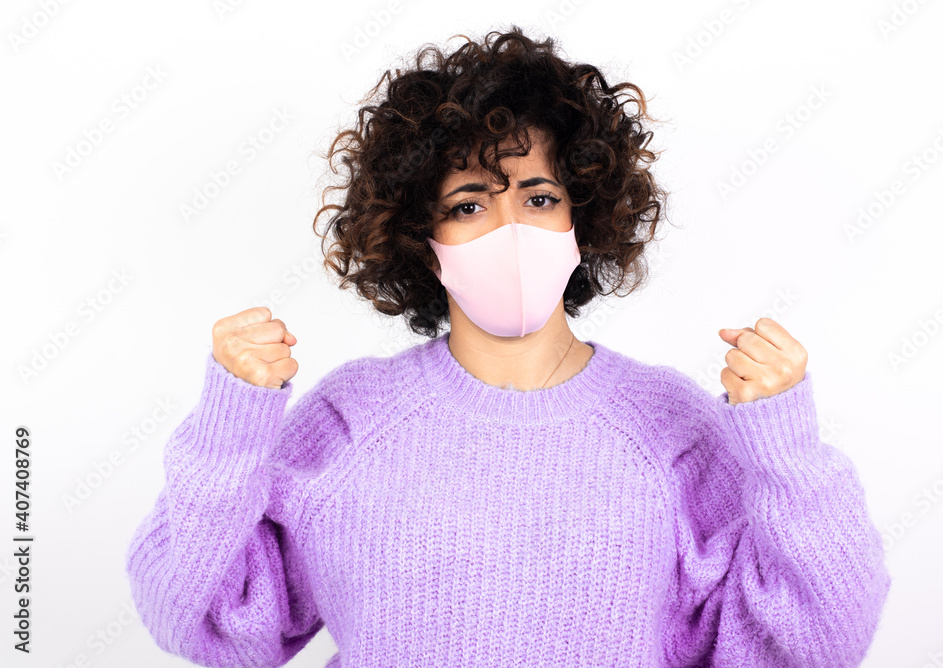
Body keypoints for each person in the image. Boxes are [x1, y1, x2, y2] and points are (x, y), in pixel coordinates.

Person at [124, 25, 890, 668]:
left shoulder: (672, 431)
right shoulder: (352, 421)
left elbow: (814, 644)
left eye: (539, 197)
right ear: (424, 243)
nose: (510, 229)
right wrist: (230, 426)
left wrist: (788, 449)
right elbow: (200, 620)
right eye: (468, 204)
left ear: (582, 219)